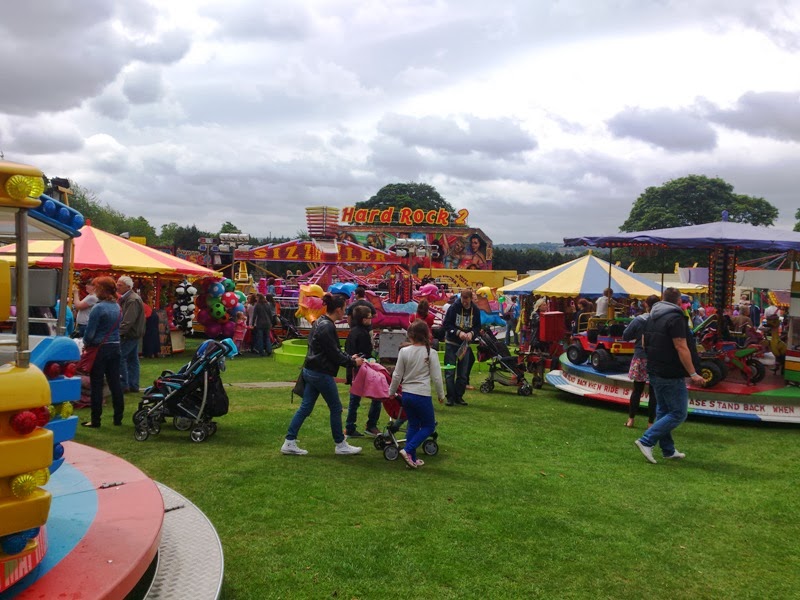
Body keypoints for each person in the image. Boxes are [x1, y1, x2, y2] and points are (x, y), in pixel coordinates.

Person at [281, 294, 365, 456]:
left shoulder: (320, 322)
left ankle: (289, 441)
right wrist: (353, 362)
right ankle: (340, 444)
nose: (345, 312)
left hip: (311, 370)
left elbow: (329, 351)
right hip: (320, 373)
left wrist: (348, 358)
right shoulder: (327, 326)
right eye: (344, 308)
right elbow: (333, 353)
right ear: (339, 309)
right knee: (335, 407)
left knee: (305, 408)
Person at [634, 287, 705, 464]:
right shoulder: (676, 318)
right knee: (678, 412)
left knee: (664, 410)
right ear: (679, 301)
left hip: (655, 368)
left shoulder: (651, 316)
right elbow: (681, 346)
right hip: (670, 371)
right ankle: (646, 440)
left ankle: (668, 450)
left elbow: (644, 342)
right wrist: (693, 373)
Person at [387, 320, 445, 468]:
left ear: (410, 336)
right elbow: (437, 377)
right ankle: (408, 450)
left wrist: (392, 392)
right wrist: (441, 395)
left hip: (407, 395)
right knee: (429, 426)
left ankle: (411, 459)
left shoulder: (404, 352)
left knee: (413, 425)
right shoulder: (430, 353)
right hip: (422, 395)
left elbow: (397, 375)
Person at [82, 276, 125, 428]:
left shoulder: (98, 308)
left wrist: (86, 343)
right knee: (115, 383)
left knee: (97, 384)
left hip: (100, 348)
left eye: (96, 288)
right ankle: (118, 418)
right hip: (115, 347)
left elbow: (90, 333)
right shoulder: (117, 307)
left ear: (102, 290)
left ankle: (96, 420)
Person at [622, 295, 659, 429]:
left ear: (646, 304)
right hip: (655, 358)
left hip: (640, 356)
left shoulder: (639, 320)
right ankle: (650, 423)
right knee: (654, 392)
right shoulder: (660, 320)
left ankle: (631, 419)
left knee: (637, 390)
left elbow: (626, 336)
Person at [344, 306, 381, 437]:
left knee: (354, 400)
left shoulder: (353, 331)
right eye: (369, 317)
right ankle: (371, 424)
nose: (371, 320)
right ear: (364, 319)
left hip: (354, 369)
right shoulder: (363, 334)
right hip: (363, 369)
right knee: (378, 395)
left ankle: (350, 426)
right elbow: (366, 353)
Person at [442, 288, 481, 406]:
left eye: (467, 300)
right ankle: (450, 397)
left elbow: (477, 326)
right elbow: (446, 324)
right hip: (451, 343)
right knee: (450, 371)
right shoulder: (454, 308)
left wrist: (471, 333)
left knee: (463, 373)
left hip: (465, 345)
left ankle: (459, 396)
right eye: (463, 300)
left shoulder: (476, 310)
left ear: (470, 299)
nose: (464, 303)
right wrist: (458, 332)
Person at [116, 275, 145, 393]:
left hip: (130, 334)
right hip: (133, 333)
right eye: (117, 284)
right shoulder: (130, 298)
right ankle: (133, 385)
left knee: (121, 357)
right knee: (133, 359)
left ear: (128, 287)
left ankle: (124, 385)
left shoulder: (132, 299)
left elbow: (128, 321)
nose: (117, 287)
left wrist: (119, 333)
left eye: (120, 285)